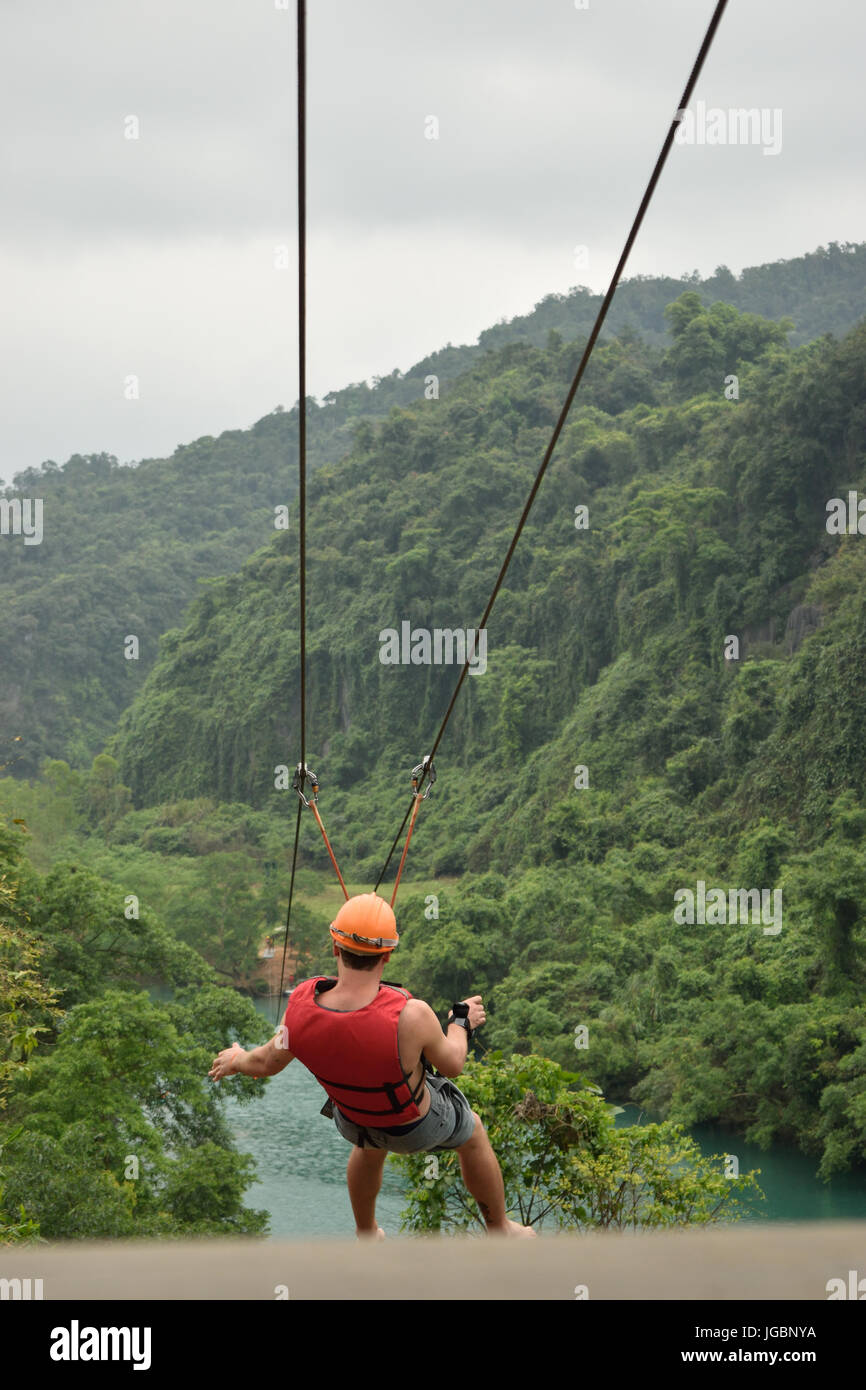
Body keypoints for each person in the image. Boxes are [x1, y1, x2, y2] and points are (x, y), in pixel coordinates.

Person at [209, 892, 535, 1240]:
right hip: (415, 1126)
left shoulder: (302, 1007)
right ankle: (500, 1228)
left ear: (335, 948)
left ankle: (366, 1231)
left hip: (353, 1121)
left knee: (368, 1146)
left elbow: (265, 1063)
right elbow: (453, 1063)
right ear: (388, 955)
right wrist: (460, 1023)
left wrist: (235, 1060)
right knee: (473, 1131)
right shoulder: (412, 1015)